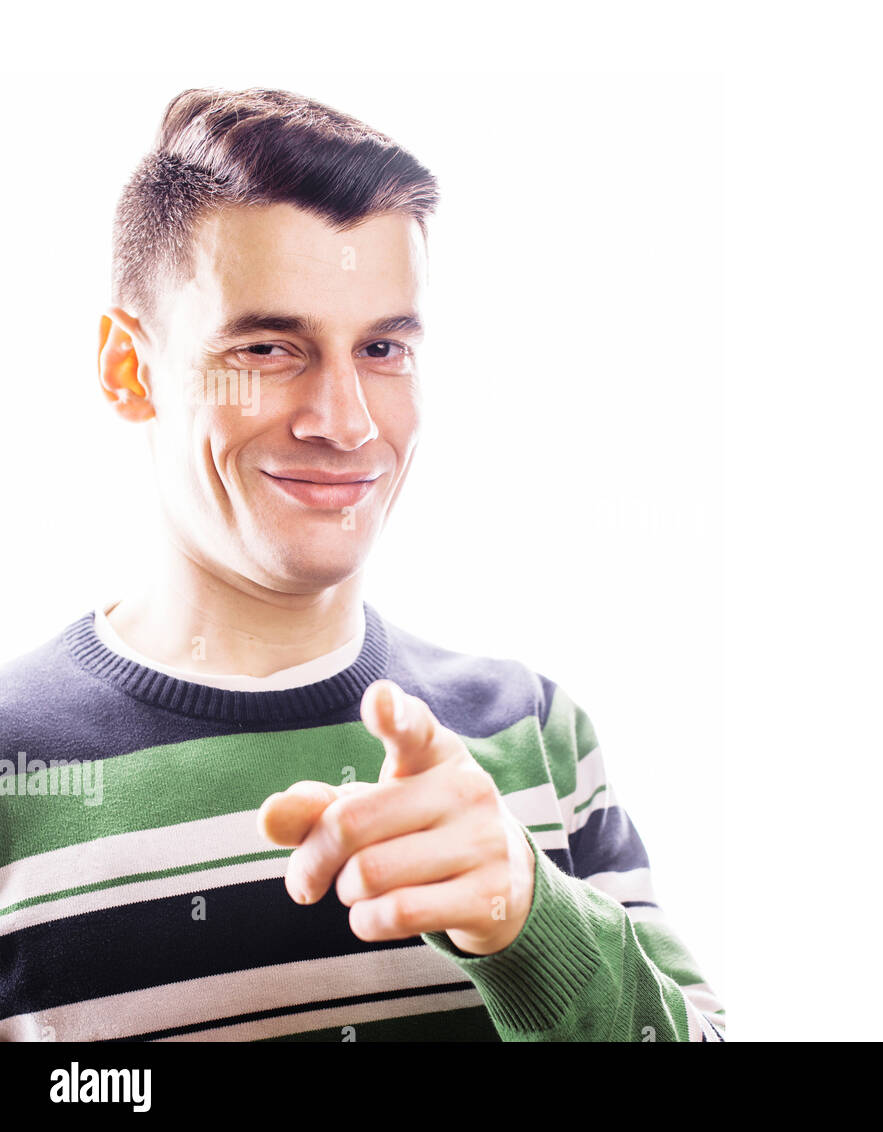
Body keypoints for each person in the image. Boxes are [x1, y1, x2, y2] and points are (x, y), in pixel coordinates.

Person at [0, 87, 724, 1042]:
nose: (344, 423)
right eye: (268, 347)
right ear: (130, 368)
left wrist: (533, 922)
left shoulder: (535, 739)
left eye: (382, 347)